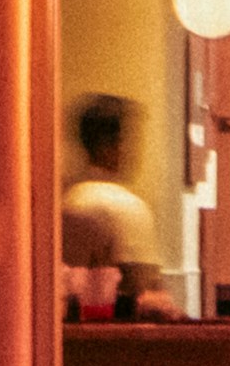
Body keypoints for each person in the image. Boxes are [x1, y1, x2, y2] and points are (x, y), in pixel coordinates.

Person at [60, 97, 165, 315]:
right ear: (108, 146)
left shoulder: (65, 202)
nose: (135, 150)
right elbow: (143, 290)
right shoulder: (125, 208)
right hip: (117, 341)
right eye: (130, 140)